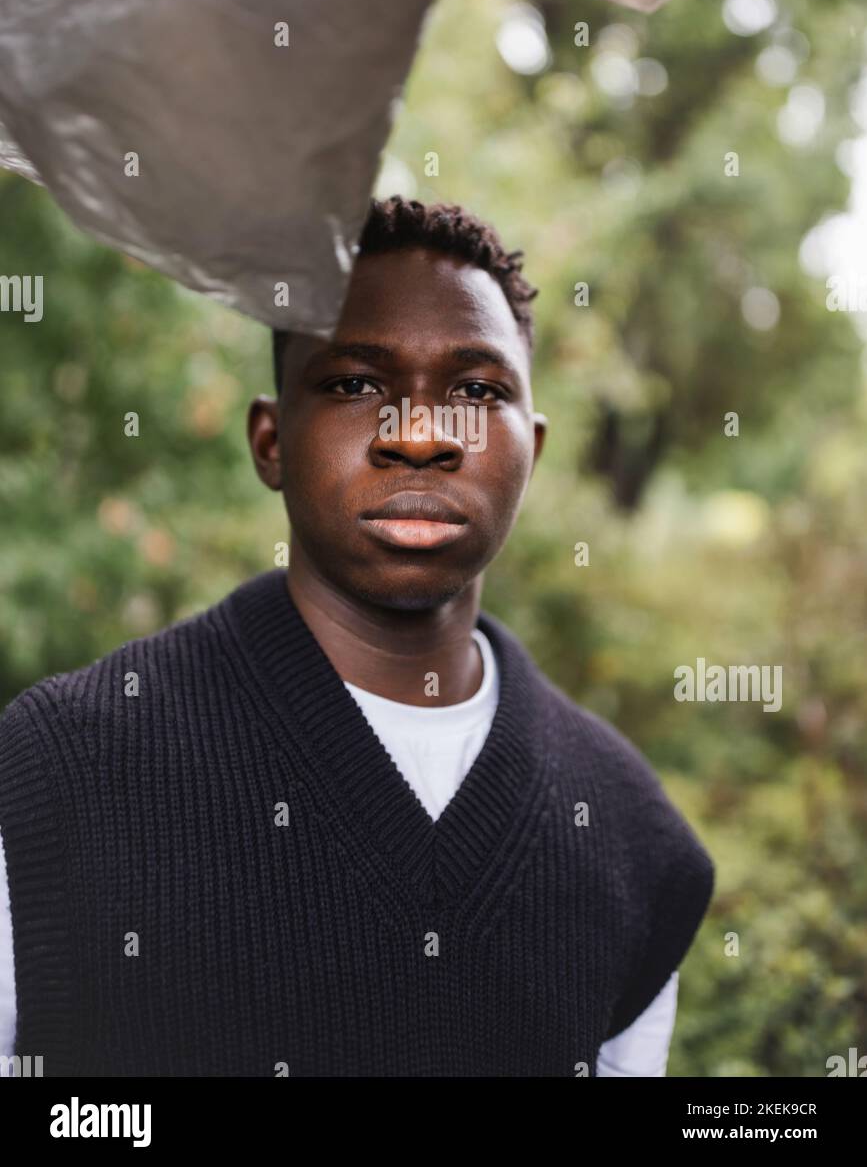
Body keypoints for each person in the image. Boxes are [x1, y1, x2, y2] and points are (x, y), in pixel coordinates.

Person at [0, 196, 714, 1077]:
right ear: (270, 440)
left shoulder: (633, 837)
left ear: (529, 448)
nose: (418, 435)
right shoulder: (58, 771)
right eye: (355, 384)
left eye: (476, 391)